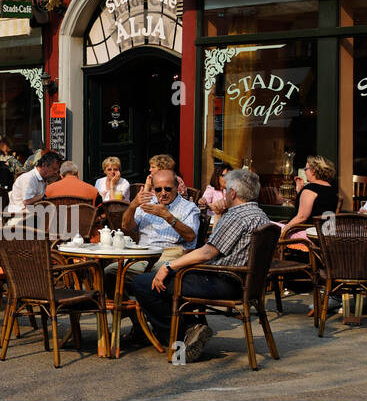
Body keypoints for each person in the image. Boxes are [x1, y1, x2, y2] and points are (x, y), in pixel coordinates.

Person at [128, 166, 271, 361]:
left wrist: (169, 266)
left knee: (143, 283)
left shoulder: (237, 216)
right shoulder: (261, 216)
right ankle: (188, 327)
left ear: (233, 193)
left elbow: (207, 252)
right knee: (158, 280)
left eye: (227, 190)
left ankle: (183, 332)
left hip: (224, 281)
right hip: (246, 284)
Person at [119, 164, 200, 277]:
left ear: (176, 187)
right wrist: (132, 206)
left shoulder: (188, 207)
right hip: (142, 255)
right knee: (110, 271)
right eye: (158, 189)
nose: (163, 193)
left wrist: (167, 216)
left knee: (148, 275)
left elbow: (191, 236)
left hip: (169, 256)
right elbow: (126, 227)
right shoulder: (147, 203)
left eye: (167, 188)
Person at [281, 155, 339, 239]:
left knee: (269, 227)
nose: (304, 172)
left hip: (307, 235)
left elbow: (302, 217)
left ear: (313, 171)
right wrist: (300, 191)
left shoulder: (310, 189)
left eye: (306, 169)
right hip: (325, 236)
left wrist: (284, 229)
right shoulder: (331, 190)